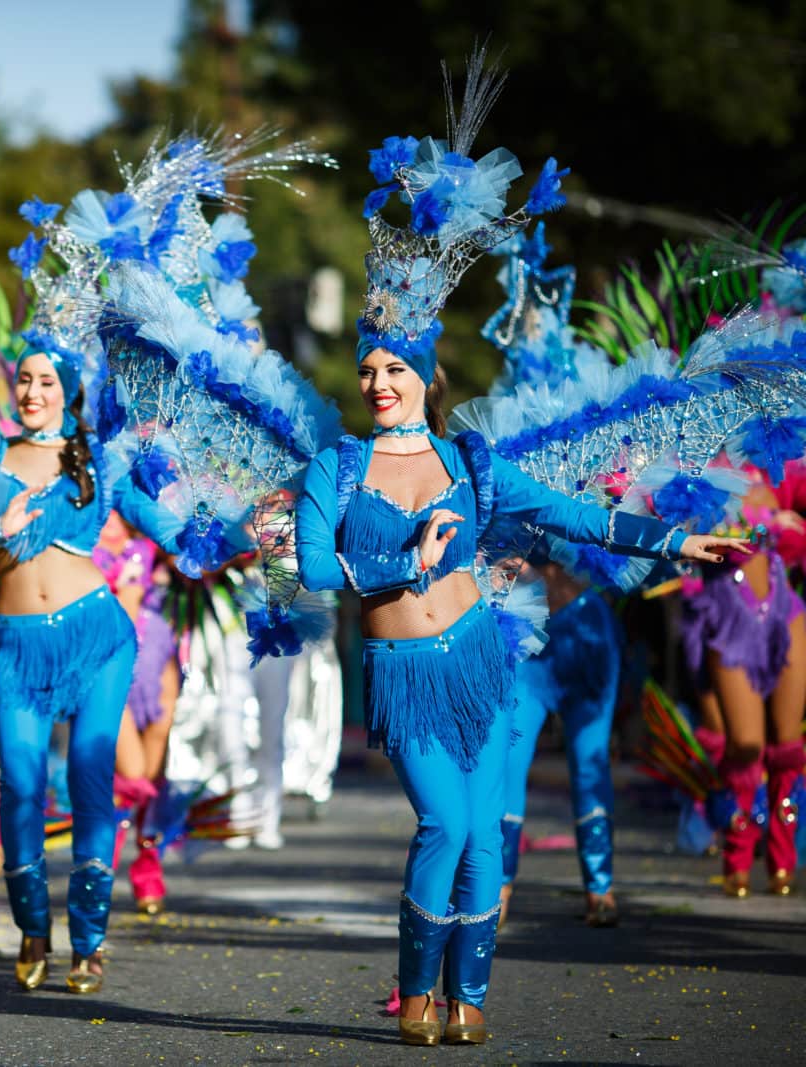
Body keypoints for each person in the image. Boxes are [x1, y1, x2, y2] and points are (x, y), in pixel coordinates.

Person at [298, 52, 745, 1046]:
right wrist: (404, 565)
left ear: (425, 373)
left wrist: (674, 537)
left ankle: (471, 997)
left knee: (482, 846)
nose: (377, 381)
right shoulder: (335, 465)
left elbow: (574, 515)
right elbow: (315, 569)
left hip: (477, 663)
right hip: (404, 670)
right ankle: (417, 987)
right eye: (367, 367)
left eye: (394, 367)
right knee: (445, 827)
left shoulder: (471, 461)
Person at [0, 347, 228, 995]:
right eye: (25, 379)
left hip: (97, 639)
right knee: (22, 785)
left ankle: (88, 941)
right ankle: (34, 927)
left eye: (46, 381)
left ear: (69, 391)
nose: (33, 391)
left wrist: (226, 533)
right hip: (18, 648)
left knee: (92, 777)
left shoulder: (100, 459)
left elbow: (168, 529)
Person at [682, 471, 806, 896]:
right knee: (746, 746)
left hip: (784, 612)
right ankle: (737, 855)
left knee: (788, 746)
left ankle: (782, 857)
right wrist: (766, 524)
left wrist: (790, 524)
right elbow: (692, 539)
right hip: (729, 617)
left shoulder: (783, 462)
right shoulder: (697, 467)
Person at [500, 556, 625, 926]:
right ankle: (498, 887)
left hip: (585, 633)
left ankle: (600, 887)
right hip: (523, 626)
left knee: (590, 762)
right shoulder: (502, 494)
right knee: (507, 762)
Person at [98, 514, 182, 914]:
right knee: (130, 774)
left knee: (153, 773)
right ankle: (103, 860)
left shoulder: (150, 547)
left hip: (157, 661)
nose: (112, 517)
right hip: (108, 668)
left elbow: (201, 554)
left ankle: (148, 860)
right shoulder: (81, 553)